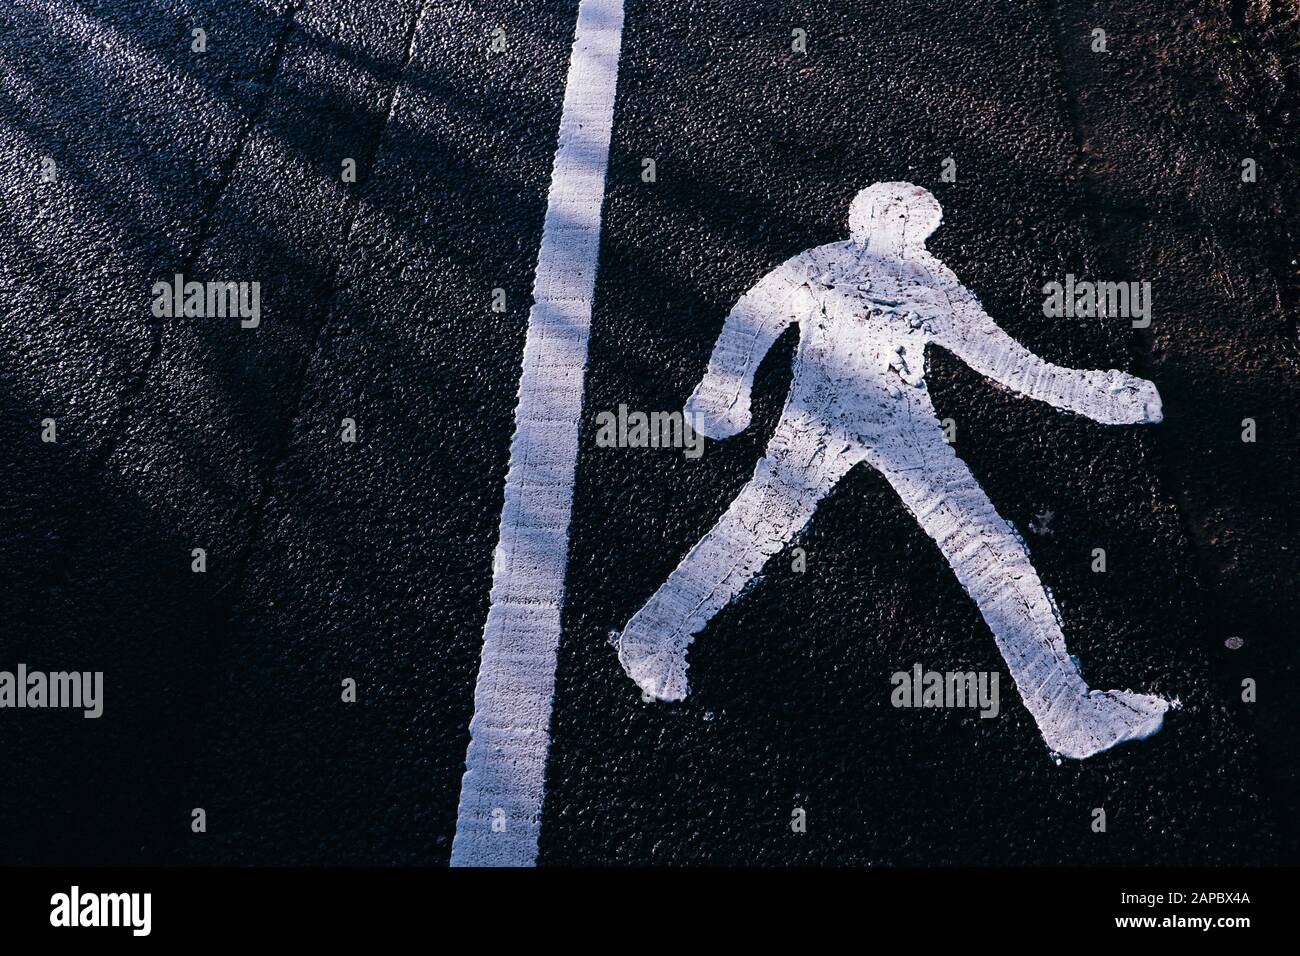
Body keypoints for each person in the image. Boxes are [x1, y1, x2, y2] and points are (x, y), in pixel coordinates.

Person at [615, 182, 1170, 760]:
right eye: (892, 212)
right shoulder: (839, 266)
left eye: (909, 216)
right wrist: (723, 388)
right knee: (765, 528)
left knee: (981, 547)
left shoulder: (916, 280)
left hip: (897, 425)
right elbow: (757, 315)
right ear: (867, 217)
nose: (900, 223)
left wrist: (1101, 397)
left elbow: (1008, 362)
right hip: (829, 420)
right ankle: (654, 634)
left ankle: (1066, 711)